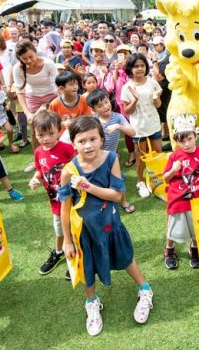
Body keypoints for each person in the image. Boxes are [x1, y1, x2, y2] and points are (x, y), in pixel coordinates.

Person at [58, 116, 153, 336]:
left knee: (125, 257)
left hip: (110, 225)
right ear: (73, 143)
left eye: (93, 139)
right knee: (86, 268)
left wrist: (88, 186)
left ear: (102, 139)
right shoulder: (68, 171)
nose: (88, 145)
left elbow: (117, 195)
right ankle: (92, 302)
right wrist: (67, 241)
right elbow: (64, 208)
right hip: (84, 233)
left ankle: (145, 289)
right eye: (82, 141)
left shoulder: (111, 158)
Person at [26, 110, 78, 279]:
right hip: (55, 201)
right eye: (41, 135)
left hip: (73, 198)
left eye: (51, 133)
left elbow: (79, 166)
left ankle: (76, 256)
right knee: (59, 229)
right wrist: (35, 178)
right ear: (35, 134)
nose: (46, 138)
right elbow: (40, 170)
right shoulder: (38, 152)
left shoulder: (67, 148)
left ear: (59, 131)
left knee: (76, 228)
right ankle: (58, 252)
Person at [162, 114, 199, 270]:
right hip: (177, 199)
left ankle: (194, 248)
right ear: (176, 141)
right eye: (182, 141)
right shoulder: (174, 156)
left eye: (189, 139)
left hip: (195, 199)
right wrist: (173, 170)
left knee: (195, 227)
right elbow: (165, 178)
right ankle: (169, 249)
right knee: (173, 228)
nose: (186, 144)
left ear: (195, 136)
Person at [120, 53, 162, 199]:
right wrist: (135, 100)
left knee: (157, 153)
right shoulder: (127, 87)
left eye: (142, 65)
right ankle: (140, 182)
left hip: (154, 123)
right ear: (130, 69)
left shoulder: (152, 82)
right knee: (141, 156)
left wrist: (156, 98)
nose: (140, 69)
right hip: (138, 128)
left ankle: (156, 180)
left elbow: (158, 105)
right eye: (136, 66)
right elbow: (127, 111)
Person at [13, 41, 59, 165]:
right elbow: (20, 91)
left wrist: (49, 104)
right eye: (24, 59)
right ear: (19, 58)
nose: (28, 60)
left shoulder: (48, 63)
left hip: (51, 96)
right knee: (35, 130)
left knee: (54, 127)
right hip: (32, 98)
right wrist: (27, 113)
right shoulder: (18, 68)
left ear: (35, 52)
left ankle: (56, 156)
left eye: (31, 56)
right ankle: (38, 160)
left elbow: (58, 85)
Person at [47, 70, 92, 139]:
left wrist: (75, 122)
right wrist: (63, 123)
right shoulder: (54, 104)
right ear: (61, 89)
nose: (75, 87)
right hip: (62, 137)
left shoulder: (83, 100)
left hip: (81, 134)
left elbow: (88, 117)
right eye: (71, 84)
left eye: (76, 84)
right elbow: (51, 122)